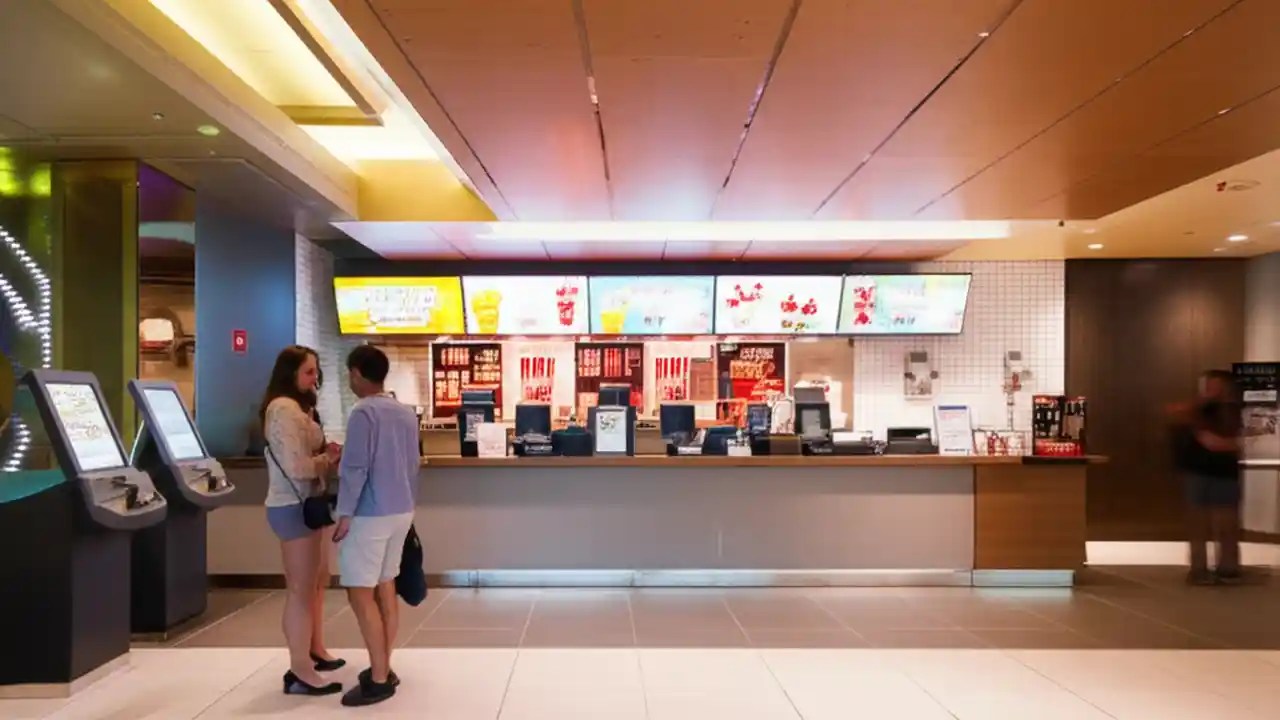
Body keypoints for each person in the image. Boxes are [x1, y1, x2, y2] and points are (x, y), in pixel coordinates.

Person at [333, 345, 418, 707]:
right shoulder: (404, 412)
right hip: (401, 509)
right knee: (386, 585)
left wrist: (344, 513)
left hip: (369, 513)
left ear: (356, 373)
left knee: (359, 592)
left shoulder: (363, 413)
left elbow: (355, 469)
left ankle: (379, 678)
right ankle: (384, 665)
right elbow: (413, 464)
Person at [261, 345, 345, 696]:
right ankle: (300, 670)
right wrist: (327, 459)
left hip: (306, 505)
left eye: (316, 372)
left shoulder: (298, 408)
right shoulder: (283, 409)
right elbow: (297, 467)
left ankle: (313, 651)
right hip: (292, 507)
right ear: (290, 374)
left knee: (314, 582)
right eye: (308, 372)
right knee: (300, 591)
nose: (314, 379)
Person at [1171, 370, 1242, 585]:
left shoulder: (1233, 410)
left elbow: (1231, 441)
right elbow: (1177, 414)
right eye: (1208, 385)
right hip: (1197, 472)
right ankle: (1198, 569)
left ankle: (1228, 567)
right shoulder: (1198, 408)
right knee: (1198, 524)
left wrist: (1211, 438)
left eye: (1217, 385)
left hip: (1224, 473)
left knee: (1226, 523)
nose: (1212, 390)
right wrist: (1199, 405)